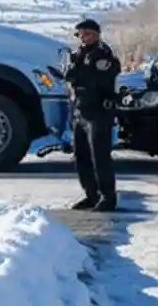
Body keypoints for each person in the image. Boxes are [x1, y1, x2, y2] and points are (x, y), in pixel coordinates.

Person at [64, 18, 120, 212]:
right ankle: (91, 194)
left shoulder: (102, 54)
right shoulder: (79, 54)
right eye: (80, 34)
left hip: (98, 111)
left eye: (87, 34)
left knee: (100, 156)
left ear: (96, 35)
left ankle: (108, 197)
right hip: (80, 110)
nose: (83, 38)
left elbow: (97, 75)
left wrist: (79, 70)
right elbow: (69, 76)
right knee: (81, 156)